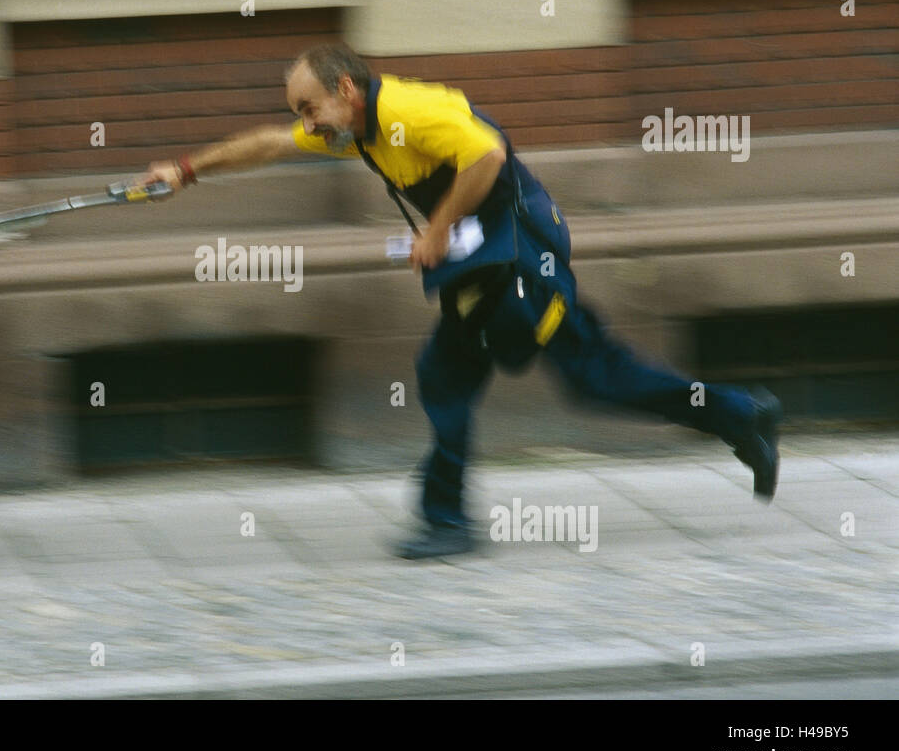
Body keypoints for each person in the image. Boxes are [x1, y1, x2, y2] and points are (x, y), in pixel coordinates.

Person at [141, 43, 781, 558]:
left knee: (584, 376)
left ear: (344, 89)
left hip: (524, 257)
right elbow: (270, 144)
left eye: (309, 108)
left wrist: (439, 229)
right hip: (491, 263)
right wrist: (186, 170)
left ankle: (735, 414)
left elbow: (486, 155)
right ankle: (736, 415)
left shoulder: (409, 112)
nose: (304, 124)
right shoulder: (354, 127)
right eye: (300, 113)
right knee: (475, 373)